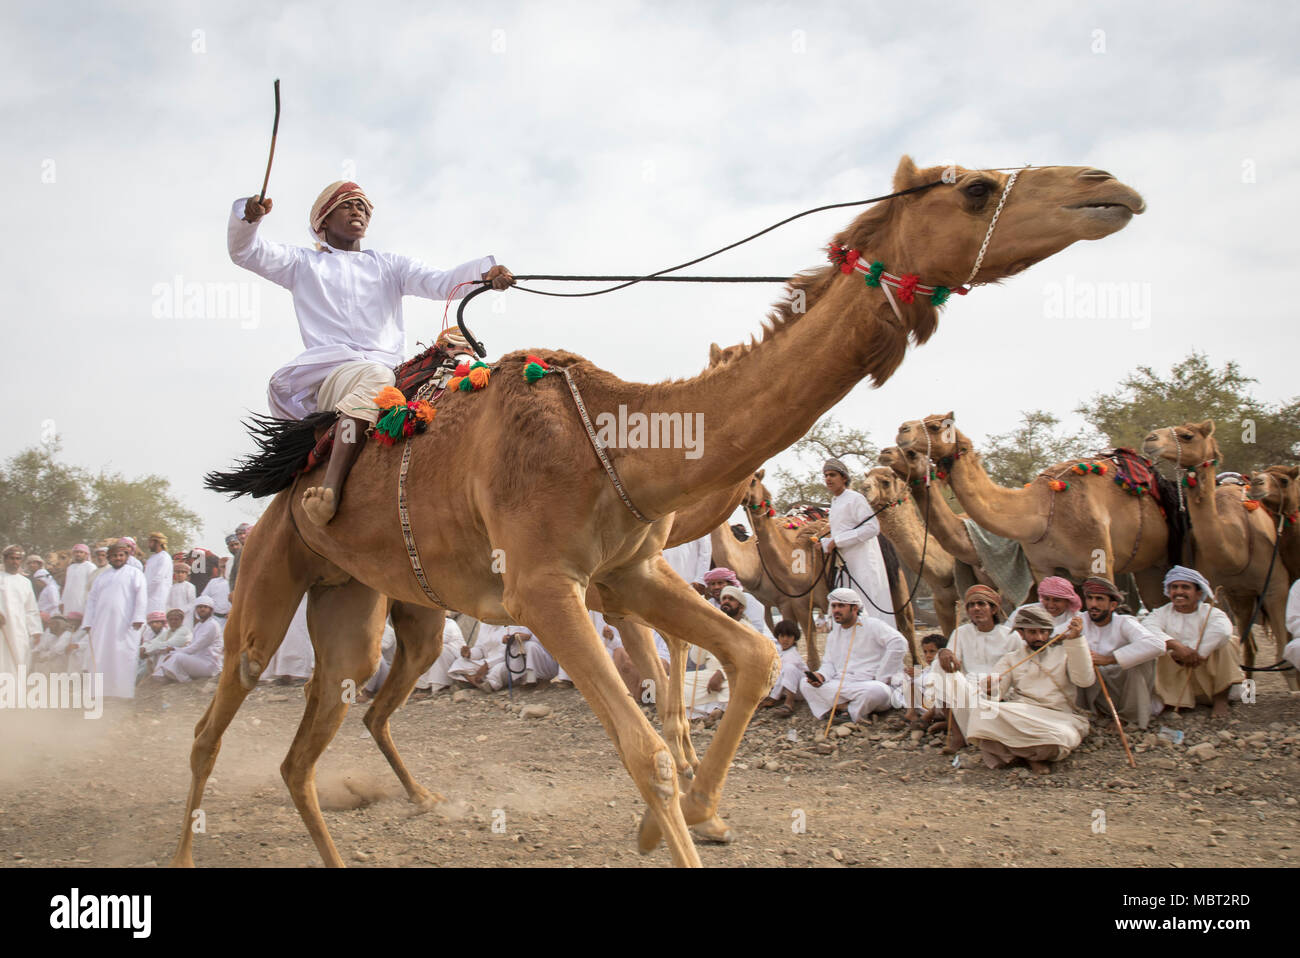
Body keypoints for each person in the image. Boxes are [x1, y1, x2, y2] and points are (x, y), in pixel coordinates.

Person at [229, 181, 514, 526]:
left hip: (392, 370)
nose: (357, 212)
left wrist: (486, 274)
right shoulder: (301, 262)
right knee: (377, 379)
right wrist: (248, 219)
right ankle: (330, 489)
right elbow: (246, 253)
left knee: (462, 376)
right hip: (336, 372)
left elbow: (441, 281)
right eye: (347, 206)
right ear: (323, 220)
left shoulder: (388, 264)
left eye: (363, 207)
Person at [963, 604, 1093, 775]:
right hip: (1022, 712)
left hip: (1059, 715)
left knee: (1060, 737)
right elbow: (996, 693)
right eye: (1032, 632)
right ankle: (1033, 756)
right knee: (981, 712)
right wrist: (989, 688)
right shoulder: (1011, 659)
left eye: (1043, 632)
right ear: (1021, 633)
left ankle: (1017, 755)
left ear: (1049, 632)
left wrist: (1076, 640)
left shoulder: (1065, 653)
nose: (1039, 637)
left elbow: (1084, 681)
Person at [1144, 566, 1241, 719]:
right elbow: (1147, 628)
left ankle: (1220, 700)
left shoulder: (1211, 612)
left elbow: (1222, 630)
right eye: (1174, 587)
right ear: (1169, 592)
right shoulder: (1161, 613)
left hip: (1208, 677)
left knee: (1227, 644)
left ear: (1199, 593)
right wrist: (1177, 646)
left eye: (1185, 587)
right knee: (1158, 648)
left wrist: (1198, 653)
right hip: (1178, 679)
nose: (1179, 592)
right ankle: (1173, 702)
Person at [798, 587, 907, 724]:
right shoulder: (833, 635)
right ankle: (846, 708)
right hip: (843, 684)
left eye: (841, 606)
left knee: (878, 691)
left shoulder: (872, 625)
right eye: (834, 606)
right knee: (805, 683)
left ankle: (842, 709)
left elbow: (899, 643)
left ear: (855, 608)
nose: (836, 610)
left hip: (868, 684)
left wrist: (882, 676)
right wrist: (821, 676)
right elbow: (829, 664)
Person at [934, 584, 1022, 750]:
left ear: (994, 609)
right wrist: (945, 653)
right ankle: (958, 735)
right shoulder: (962, 632)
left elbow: (1019, 667)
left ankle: (979, 735)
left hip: (997, 690)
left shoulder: (1011, 635)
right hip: (968, 688)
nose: (976, 609)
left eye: (981, 604)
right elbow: (952, 659)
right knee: (940, 668)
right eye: (971, 605)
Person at [1074, 576, 1166, 728]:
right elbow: (1051, 638)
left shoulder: (1124, 622)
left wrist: (1110, 659)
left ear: (1112, 605)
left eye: (1099, 599)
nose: (1093, 604)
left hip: (1123, 688)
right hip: (1095, 687)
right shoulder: (1080, 620)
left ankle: (1129, 717)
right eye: (1090, 598)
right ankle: (1088, 712)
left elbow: (1157, 644)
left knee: (1141, 661)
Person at [820, 458, 895, 629]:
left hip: (863, 564)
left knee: (868, 606)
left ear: (844, 478)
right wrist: (826, 543)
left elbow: (872, 527)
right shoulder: (836, 502)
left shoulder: (855, 498)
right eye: (825, 476)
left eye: (832, 475)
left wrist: (837, 541)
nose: (828, 479)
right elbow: (841, 532)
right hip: (846, 565)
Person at [81, 542, 148, 699]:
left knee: (123, 655)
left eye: (121, 555)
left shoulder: (135, 573)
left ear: (126, 556)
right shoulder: (102, 577)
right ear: (109, 558)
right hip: (102, 624)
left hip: (126, 624)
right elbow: (91, 600)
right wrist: (88, 622)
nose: (118, 558)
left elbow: (141, 597)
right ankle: (100, 692)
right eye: (114, 556)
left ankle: (122, 693)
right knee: (101, 655)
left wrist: (138, 617)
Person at [153, 595, 222, 682]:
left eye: (205, 607)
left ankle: (185, 680)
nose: (202, 609)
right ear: (196, 609)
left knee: (177, 657)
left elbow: (195, 648)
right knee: (166, 653)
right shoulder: (199, 625)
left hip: (209, 664)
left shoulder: (212, 625)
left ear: (211, 610)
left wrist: (175, 651)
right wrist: (173, 649)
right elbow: (191, 645)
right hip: (197, 659)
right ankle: (162, 677)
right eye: (199, 607)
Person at [702, 568, 772, 639]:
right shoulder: (708, 604)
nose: (716, 587)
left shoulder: (747, 599)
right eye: (713, 584)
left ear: (731, 584)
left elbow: (757, 628)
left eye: (720, 583)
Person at [761, 619, 808, 716]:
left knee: (789, 668)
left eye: (789, 636)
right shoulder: (780, 652)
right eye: (782, 636)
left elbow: (783, 674)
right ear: (778, 637)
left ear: (794, 638)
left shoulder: (792, 655)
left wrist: (773, 697)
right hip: (785, 687)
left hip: (799, 689)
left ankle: (789, 703)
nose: (785, 639)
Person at [903, 633, 945, 727]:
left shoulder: (944, 669)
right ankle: (911, 713)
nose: (928, 655)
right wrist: (913, 673)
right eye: (925, 652)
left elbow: (929, 681)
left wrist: (918, 676)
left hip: (942, 708)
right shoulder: (928, 668)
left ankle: (927, 718)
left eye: (932, 651)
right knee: (909, 685)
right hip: (928, 705)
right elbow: (923, 675)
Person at [62, 544, 94, 627]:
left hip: (82, 602)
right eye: (76, 552)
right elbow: (67, 587)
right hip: (69, 602)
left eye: (81, 552)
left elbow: (92, 587)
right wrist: (62, 601)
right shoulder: (70, 568)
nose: (78, 554)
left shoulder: (90, 567)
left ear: (86, 554)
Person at [143, 532, 172, 615]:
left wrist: (145, 592)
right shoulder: (152, 558)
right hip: (148, 596)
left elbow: (158, 578)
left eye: (150, 542)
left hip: (158, 597)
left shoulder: (164, 557)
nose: (148, 545)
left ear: (157, 542)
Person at [167, 562, 197, 627]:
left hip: (186, 616)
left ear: (186, 574)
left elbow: (192, 603)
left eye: (182, 572)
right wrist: (171, 612)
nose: (180, 574)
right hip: (173, 616)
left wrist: (180, 611)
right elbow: (168, 602)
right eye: (178, 572)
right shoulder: (172, 587)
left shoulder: (189, 586)